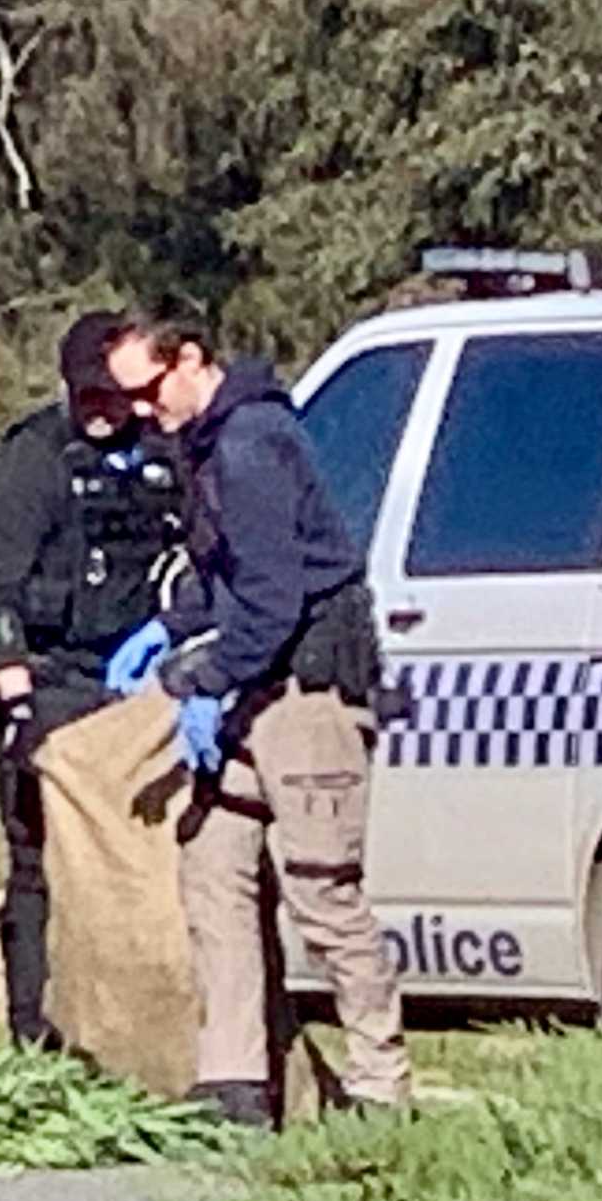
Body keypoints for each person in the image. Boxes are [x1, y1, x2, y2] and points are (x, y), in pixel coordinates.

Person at [104, 311, 407, 1128]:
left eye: (146, 390)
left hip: (306, 697)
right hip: (256, 691)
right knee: (213, 865)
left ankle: (381, 1083)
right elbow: (232, 581)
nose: (138, 410)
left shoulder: (249, 447)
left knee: (323, 893)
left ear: (190, 359)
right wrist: (167, 629)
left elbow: (274, 601)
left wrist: (206, 678)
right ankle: (235, 1078)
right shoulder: (211, 444)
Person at [0, 312, 189, 1050]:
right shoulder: (33, 460)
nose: (101, 411)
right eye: (87, 396)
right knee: (40, 863)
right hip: (52, 681)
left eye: (113, 397)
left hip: (144, 680)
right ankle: (36, 1036)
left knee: (152, 858)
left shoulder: (165, 453)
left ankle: (140, 1029)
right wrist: (16, 699)